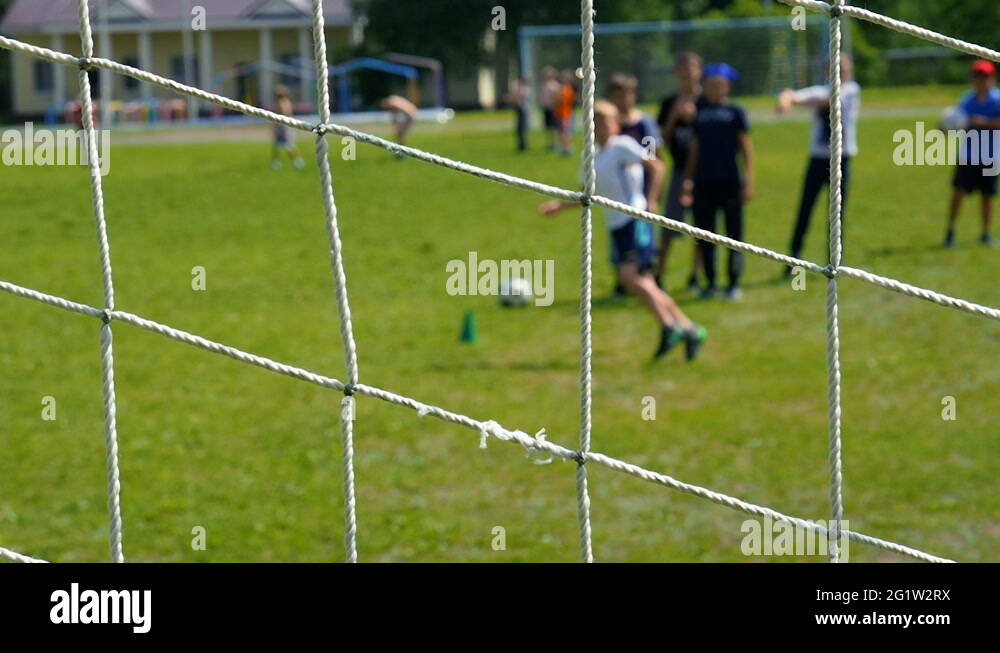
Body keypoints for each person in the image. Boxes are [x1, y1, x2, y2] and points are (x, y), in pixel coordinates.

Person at [539, 100, 708, 361]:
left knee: (631, 277)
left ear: (616, 124)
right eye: (595, 122)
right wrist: (559, 207)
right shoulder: (592, 156)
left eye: (606, 121)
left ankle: (668, 326)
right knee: (643, 282)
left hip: (634, 219)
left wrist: (651, 200)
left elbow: (658, 166)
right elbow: (588, 195)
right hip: (616, 225)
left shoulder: (624, 146)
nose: (601, 127)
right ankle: (690, 329)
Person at [777, 54, 860, 266]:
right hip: (817, 160)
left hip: (840, 160)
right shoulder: (820, 90)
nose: (840, 72)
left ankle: (834, 262)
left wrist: (794, 99)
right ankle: (793, 256)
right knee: (805, 208)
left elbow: (828, 99)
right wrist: (786, 98)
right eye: (835, 68)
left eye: (843, 68)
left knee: (836, 214)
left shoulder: (851, 91)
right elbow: (792, 94)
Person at [680, 62, 753, 301]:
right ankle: (710, 282)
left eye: (719, 85)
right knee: (705, 234)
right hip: (703, 182)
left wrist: (748, 179)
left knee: (733, 235)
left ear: (727, 87)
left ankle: (733, 283)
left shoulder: (735, 112)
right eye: (711, 85)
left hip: (730, 181)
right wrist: (688, 179)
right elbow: (695, 148)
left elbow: (745, 148)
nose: (715, 90)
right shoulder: (699, 113)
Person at [607, 73, 663, 297]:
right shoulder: (609, 124)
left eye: (626, 95)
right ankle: (621, 281)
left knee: (643, 236)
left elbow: (653, 158)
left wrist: (653, 195)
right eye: (617, 96)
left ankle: (646, 276)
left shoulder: (644, 123)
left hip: (641, 193)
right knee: (618, 236)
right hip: (615, 193)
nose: (622, 100)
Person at [657, 52, 707, 293]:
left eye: (692, 68)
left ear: (700, 71)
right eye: (683, 68)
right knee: (669, 224)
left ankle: (696, 276)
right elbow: (659, 142)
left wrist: (696, 118)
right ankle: (659, 274)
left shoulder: (708, 100)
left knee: (701, 228)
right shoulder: (668, 103)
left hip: (704, 174)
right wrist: (675, 116)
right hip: (679, 172)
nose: (688, 73)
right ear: (677, 73)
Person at [942, 59, 1000, 248]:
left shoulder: (997, 99)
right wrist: (945, 127)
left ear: (993, 78)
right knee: (958, 192)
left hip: (991, 156)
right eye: (978, 76)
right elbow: (957, 122)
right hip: (968, 155)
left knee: (987, 195)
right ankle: (950, 232)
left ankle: (985, 233)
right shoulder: (967, 99)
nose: (981, 80)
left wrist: (980, 122)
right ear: (972, 79)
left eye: (985, 77)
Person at [271, 85, 304, 170]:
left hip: (283, 126)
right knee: (277, 146)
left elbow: (284, 114)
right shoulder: (283, 102)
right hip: (282, 126)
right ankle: (276, 162)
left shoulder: (283, 102)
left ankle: (297, 161)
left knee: (289, 145)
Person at [553, 69, 577, 157]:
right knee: (560, 131)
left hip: (565, 114)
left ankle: (568, 148)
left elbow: (562, 101)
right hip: (559, 113)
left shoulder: (568, 89)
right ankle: (563, 147)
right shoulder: (561, 88)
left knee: (566, 131)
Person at [506, 76, 531, 152]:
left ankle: (524, 145)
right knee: (519, 129)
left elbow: (517, 98)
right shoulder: (519, 88)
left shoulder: (525, 89)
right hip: (519, 109)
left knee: (523, 128)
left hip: (524, 110)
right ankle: (521, 144)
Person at [540, 66, 562, 151]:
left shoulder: (555, 85)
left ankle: (556, 143)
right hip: (546, 108)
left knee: (554, 127)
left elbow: (558, 97)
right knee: (548, 127)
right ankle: (550, 143)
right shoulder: (544, 85)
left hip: (553, 108)